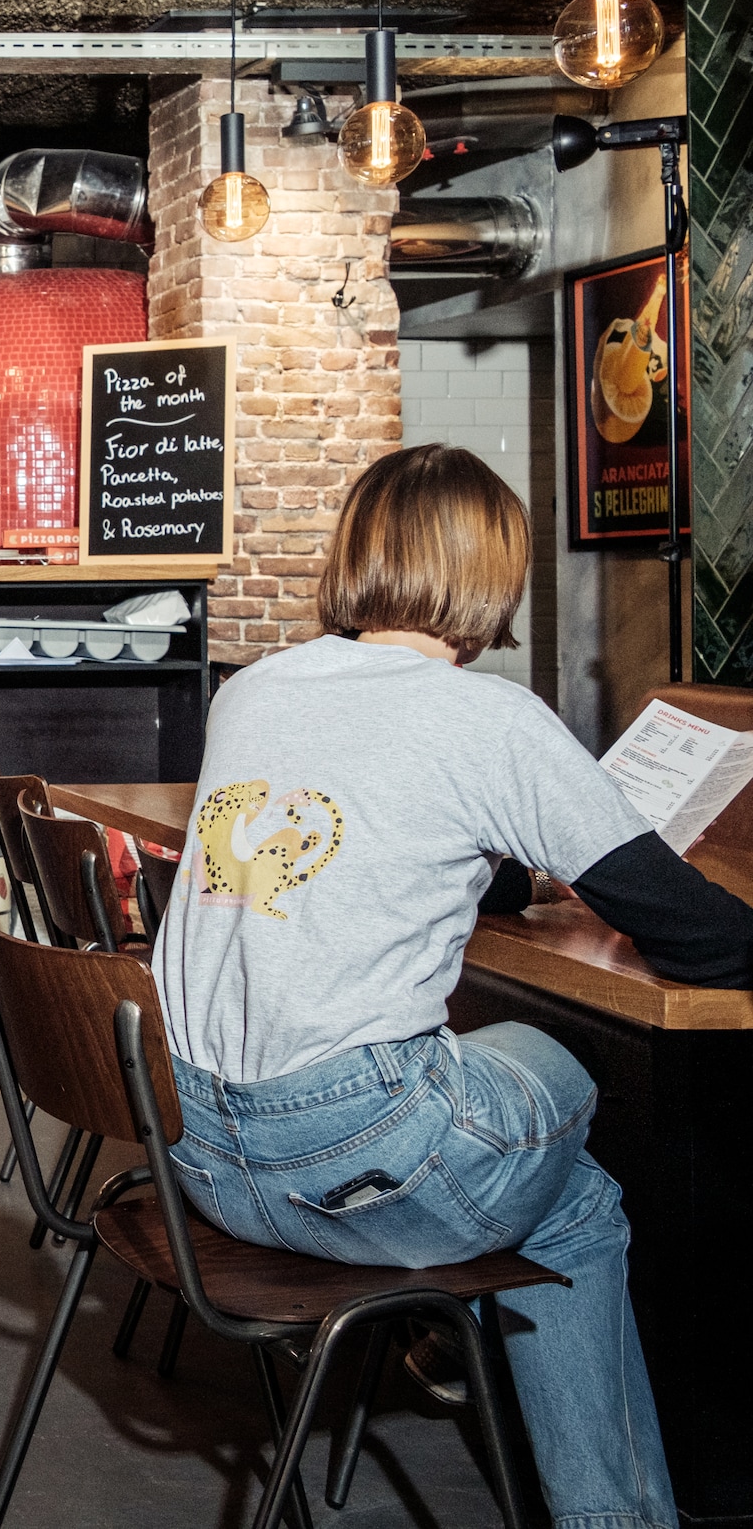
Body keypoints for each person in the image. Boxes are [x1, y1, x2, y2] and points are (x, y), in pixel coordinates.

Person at [152, 444, 753, 1529]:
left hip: (198, 1156)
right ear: (490, 570)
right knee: (554, 1065)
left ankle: (470, 1369)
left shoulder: (250, 690)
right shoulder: (488, 719)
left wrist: (509, 873)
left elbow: (371, 834)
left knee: (574, 1214)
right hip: (350, 1160)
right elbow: (703, 939)